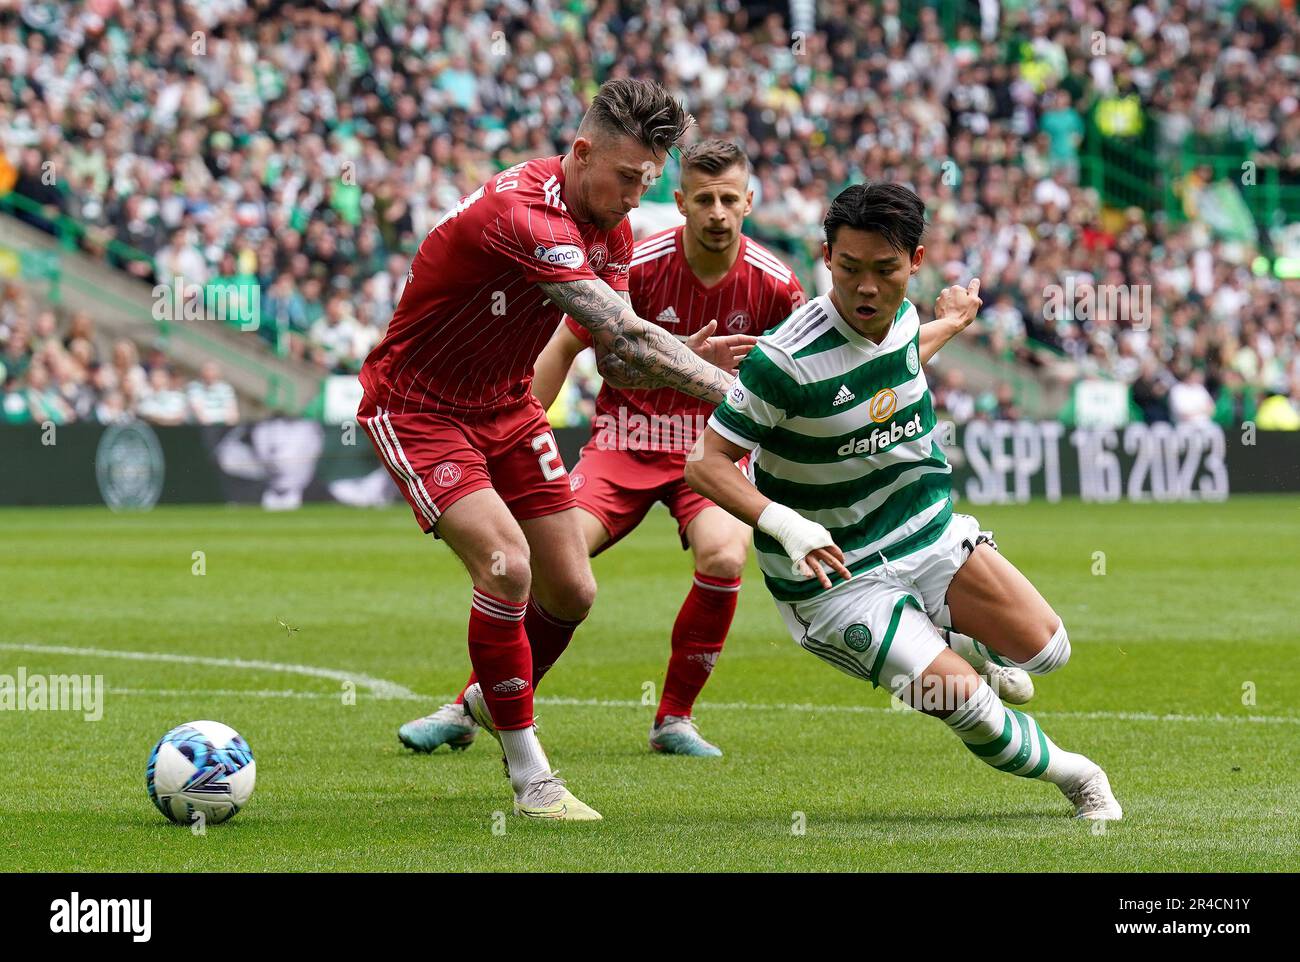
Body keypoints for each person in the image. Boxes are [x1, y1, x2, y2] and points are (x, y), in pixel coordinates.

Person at [356, 79, 748, 821]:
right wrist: (733, 393)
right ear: (581, 151)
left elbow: (618, 359)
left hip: (506, 406)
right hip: (419, 407)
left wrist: (684, 358)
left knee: (571, 591)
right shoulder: (525, 213)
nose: (635, 196)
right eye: (626, 177)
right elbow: (627, 335)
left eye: (647, 181)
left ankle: (482, 698)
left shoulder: (611, 228)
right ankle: (532, 779)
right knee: (507, 566)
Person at [684, 183, 1122, 820]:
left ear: (915, 262)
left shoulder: (907, 318)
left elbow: (906, 352)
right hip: (834, 576)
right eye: (849, 267)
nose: (866, 288)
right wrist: (786, 525)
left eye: (885, 270)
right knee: (969, 706)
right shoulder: (785, 359)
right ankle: (1081, 777)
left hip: (925, 532)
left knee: (1048, 651)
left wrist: (956, 321)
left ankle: (958, 641)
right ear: (826, 257)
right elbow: (706, 463)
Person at [396, 140, 801, 758]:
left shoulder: (777, 286)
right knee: (554, 567)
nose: (717, 213)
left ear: (748, 202)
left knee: (724, 555)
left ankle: (673, 720)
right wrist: (515, 438)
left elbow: (795, 379)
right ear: (681, 202)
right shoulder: (639, 262)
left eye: (729, 199)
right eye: (705, 199)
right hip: (623, 441)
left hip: (711, 451)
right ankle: (470, 704)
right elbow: (565, 346)